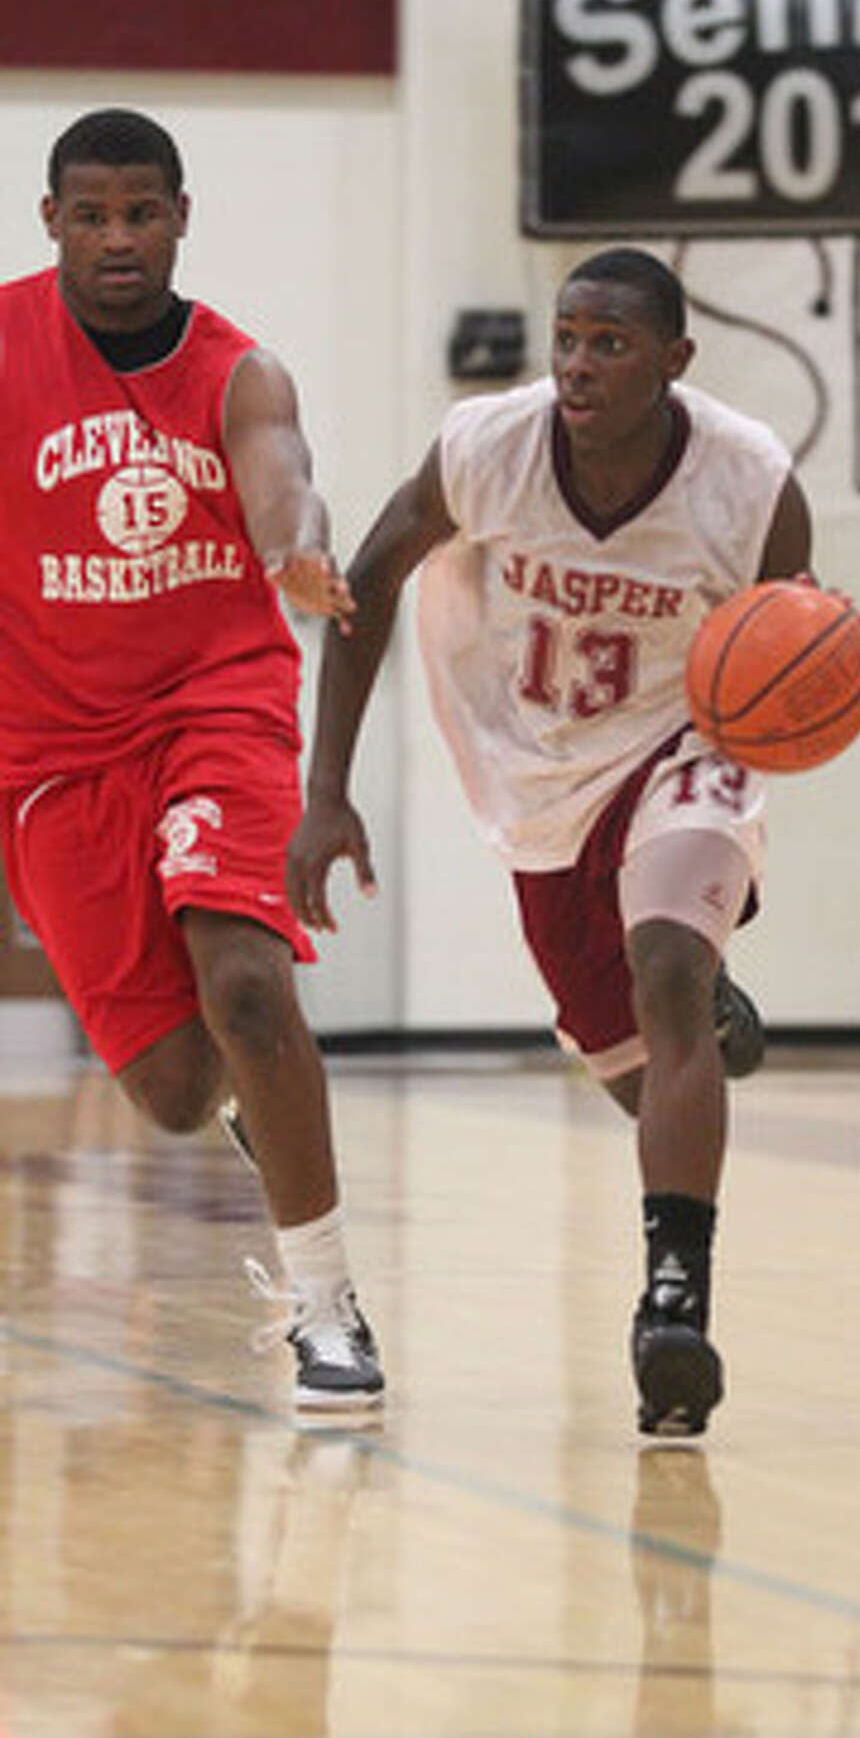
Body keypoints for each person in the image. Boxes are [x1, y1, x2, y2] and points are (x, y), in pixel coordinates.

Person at [288, 248, 812, 1436]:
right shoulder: (488, 444)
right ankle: (690, 1041)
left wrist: (820, 650)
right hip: (536, 771)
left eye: (610, 344)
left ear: (675, 361)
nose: (577, 364)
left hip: (683, 749)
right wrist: (328, 791)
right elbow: (367, 577)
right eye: (567, 338)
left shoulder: (751, 481)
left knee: (669, 969)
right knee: (636, 1076)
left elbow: (793, 650)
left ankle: (674, 1305)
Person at [0, 108, 383, 1411]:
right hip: (53, 749)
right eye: (93, 214)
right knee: (171, 1088)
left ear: (181, 217)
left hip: (215, 710)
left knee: (250, 987)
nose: (119, 238)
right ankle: (254, 1109)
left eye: (143, 212)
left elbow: (282, 478)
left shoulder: (236, 371)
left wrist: (295, 550)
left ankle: (327, 1306)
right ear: (51, 219)